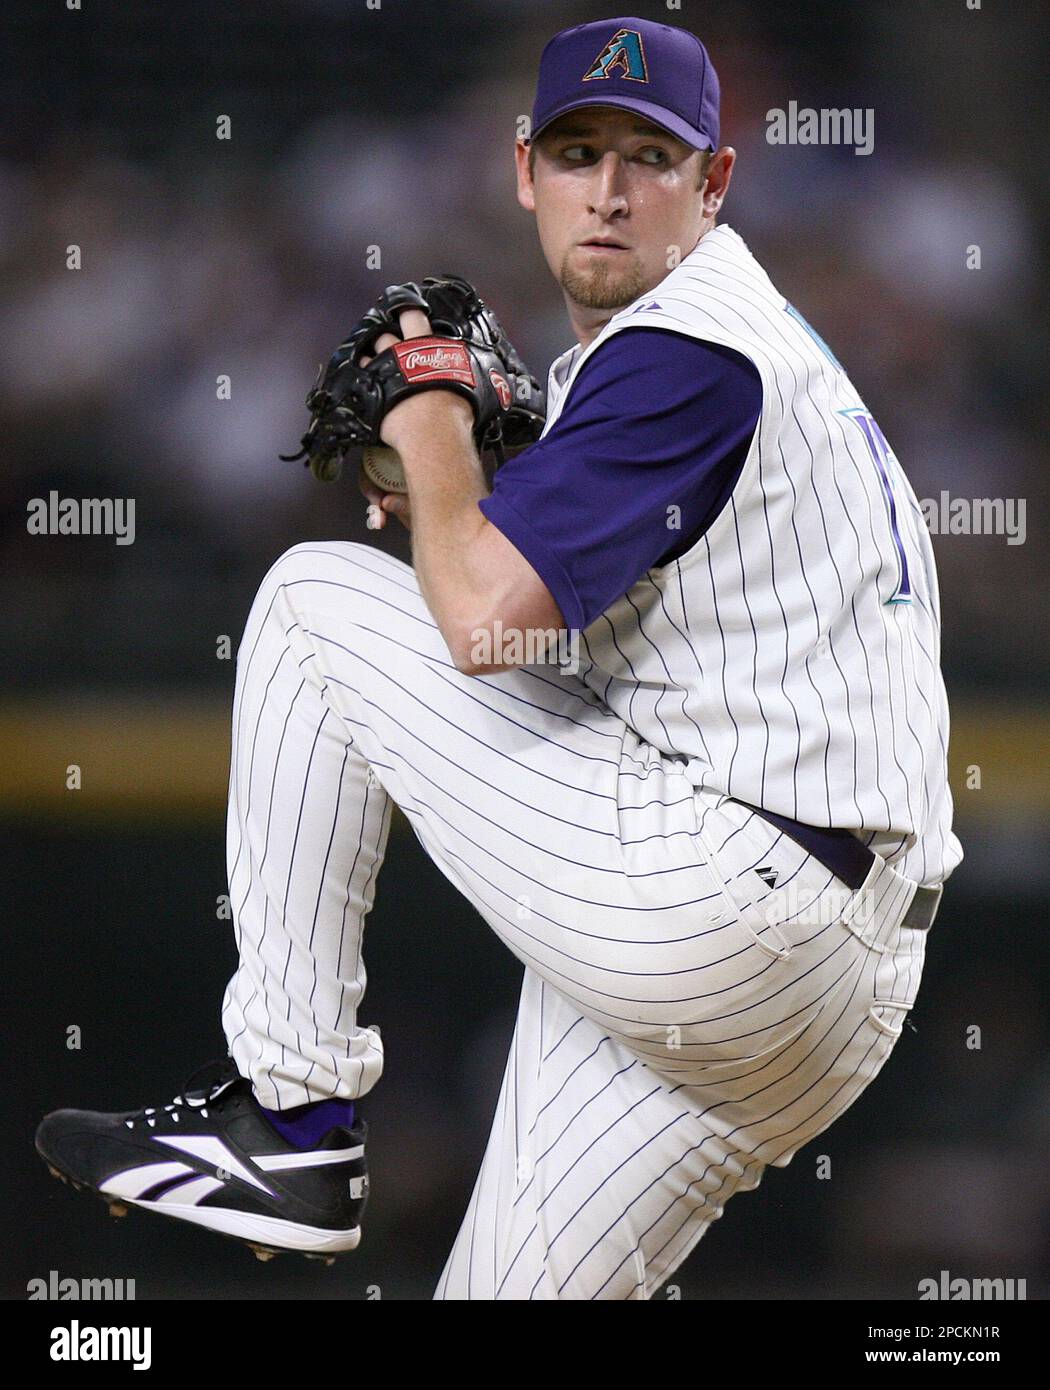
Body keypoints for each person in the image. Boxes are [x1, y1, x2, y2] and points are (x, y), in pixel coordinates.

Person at [36, 14, 962, 1300]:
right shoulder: (705, 352)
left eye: (652, 156)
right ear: (526, 169)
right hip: (806, 981)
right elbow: (523, 601)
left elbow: (480, 624)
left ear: (715, 181)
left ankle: (293, 1117)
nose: (611, 189)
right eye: (580, 153)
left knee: (310, 604)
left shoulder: (687, 349)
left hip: (726, 898)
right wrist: (449, 477)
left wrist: (425, 412)